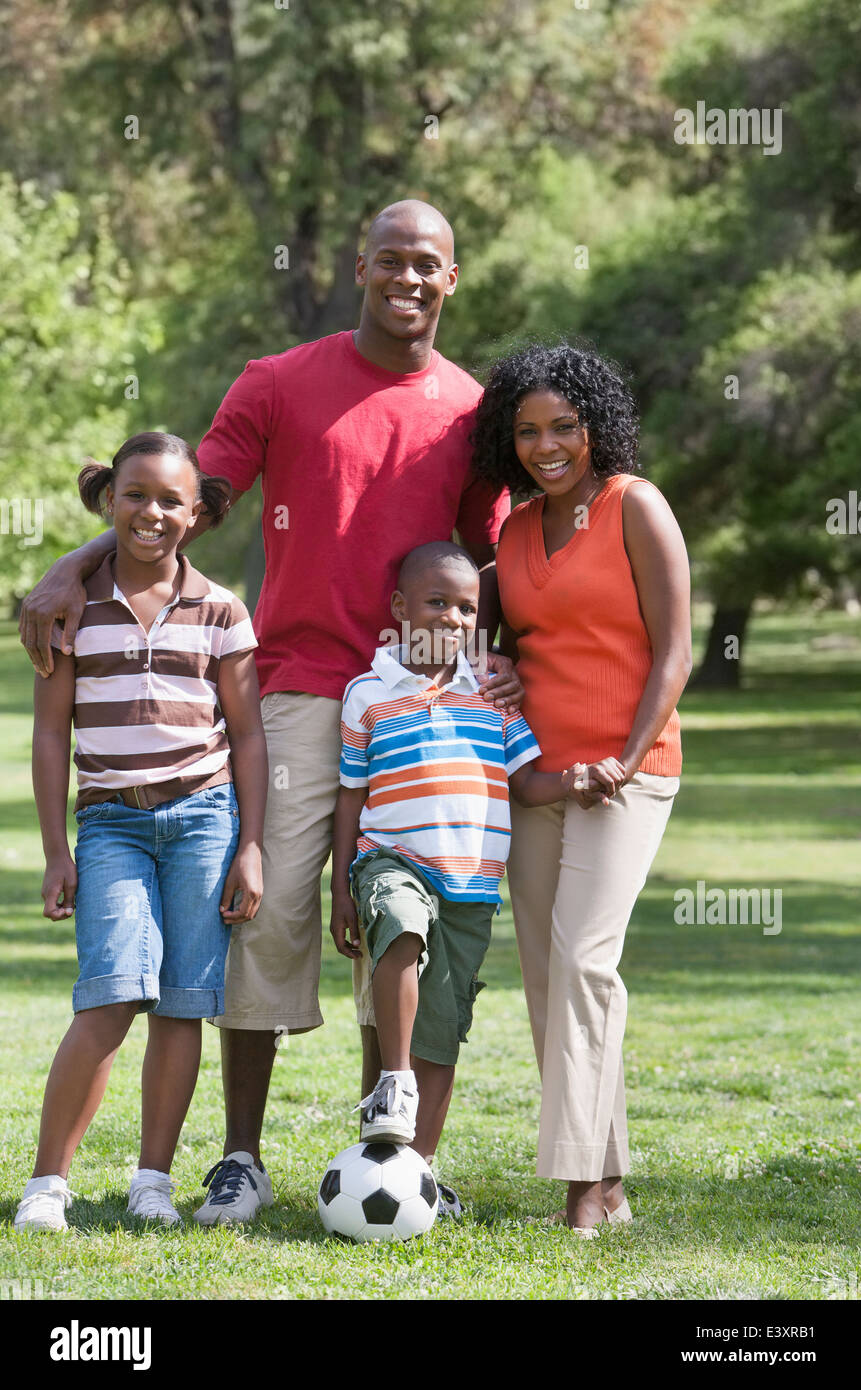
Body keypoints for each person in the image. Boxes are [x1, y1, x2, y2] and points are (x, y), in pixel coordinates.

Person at [17, 200, 521, 1225]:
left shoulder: (471, 413)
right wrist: (73, 564)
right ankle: (239, 1157)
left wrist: (503, 666)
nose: (407, 279)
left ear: (452, 279)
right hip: (294, 686)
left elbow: (493, 565)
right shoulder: (278, 381)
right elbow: (179, 504)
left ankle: (394, 1156)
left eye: (427, 264)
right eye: (390, 261)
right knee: (265, 918)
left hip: (421, 699)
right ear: (358, 268)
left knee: (401, 921)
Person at [13, 433, 266, 1233]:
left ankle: (151, 1179)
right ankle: (47, 1184)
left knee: (183, 1004)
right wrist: (58, 847)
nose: (150, 512)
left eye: (169, 500)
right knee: (110, 997)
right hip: (112, 825)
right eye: (134, 495)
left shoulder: (222, 609)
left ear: (195, 515)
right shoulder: (69, 609)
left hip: (204, 820)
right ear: (108, 500)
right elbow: (52, 735)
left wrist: (251, 845)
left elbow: (249, 736)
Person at [471, 342, 692, 1235]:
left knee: (586, 961)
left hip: (626, 776)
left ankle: (579, 1190)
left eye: (564, 426)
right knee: (546, 974)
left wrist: (630, 759)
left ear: (597, 426)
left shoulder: (636, 505)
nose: (546, 445)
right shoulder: (515, 532)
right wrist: (496, 668)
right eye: (527, 431)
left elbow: (676, 650)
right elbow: (485, 636)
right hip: (539, 779)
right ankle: (609, 1180)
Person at [329, 541, 591, 1215]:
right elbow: (351, 797)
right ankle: (393, 1080)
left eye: (466, 608)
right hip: (391, 858)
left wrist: (577, 779)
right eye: (436, 603)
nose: (450, 618)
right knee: (402, 931)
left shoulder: (493, 695)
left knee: (443, 1030)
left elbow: (528, 783)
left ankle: (417, 1171)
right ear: (400, 609)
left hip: (472, 882)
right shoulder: (368, 694)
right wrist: (339, 889)